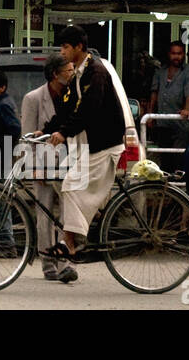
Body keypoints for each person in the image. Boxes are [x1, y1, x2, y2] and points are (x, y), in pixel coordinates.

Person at [43, 26, 126, 270]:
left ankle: (70, 243)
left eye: (65, 47)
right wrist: (47, 130)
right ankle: (72, 240)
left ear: (79, 47)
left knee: (70, 186)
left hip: (104, 144)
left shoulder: (96, 72)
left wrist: (63, 132)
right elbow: (68, 109)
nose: (62, 52)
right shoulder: (79, 74)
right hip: (89, 147)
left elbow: (88, 110)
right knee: (69, 186)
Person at [21, 53, 76, 283]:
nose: (72, 75)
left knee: (68, 215)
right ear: (55, 75)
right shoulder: (33, 98)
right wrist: (33, 167)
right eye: (68, 71)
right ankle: (47, 262)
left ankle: (65, 263)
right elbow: (27, 136)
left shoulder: (73, 97)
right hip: (42, 165)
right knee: (44, 216)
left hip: (69, 165)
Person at [147, 40, 189, 152]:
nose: (176, 57)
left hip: (180, 124)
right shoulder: (161, 71)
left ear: (183, 55)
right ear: (169, 54)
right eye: (174, 53)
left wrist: (187, 109)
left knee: (178, 158)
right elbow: (154, 93)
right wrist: (150, 115)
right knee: (165, 158)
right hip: (163, 123)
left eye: (179, 54)